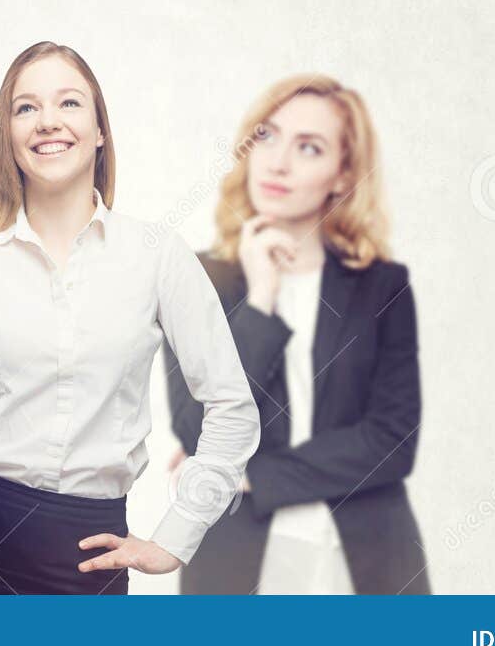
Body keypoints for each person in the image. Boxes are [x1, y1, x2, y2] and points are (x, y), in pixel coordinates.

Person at [0, 41, 260, 594]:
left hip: (85, 559)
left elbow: (232, 407)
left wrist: (177, 537)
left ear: (100, 130)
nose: (47, 122)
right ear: (6, 135)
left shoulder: (156, 255)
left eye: (69, 103)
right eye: (26, 107)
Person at [165, 74, 429, 594]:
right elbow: (198, 429)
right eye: (266, 136)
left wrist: (254, 476)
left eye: (309, 147)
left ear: (342, 173)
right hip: (237, 562)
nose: (278, 161)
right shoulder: (195, 280)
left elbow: (392, 442)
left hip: (367, 560)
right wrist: (261, 299)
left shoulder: (382, 287)